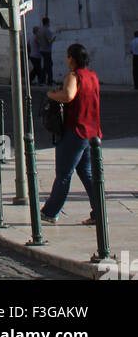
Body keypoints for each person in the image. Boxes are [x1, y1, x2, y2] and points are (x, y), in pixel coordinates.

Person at [41, 43, 102, 225]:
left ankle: (50, 212)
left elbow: (68, 95)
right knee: (87, 173)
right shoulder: (93, 76)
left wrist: (51, 94)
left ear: (72, 59)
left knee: (64, 174)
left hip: (75, 131)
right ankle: (99, 211)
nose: (67, 60)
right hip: (92, 133)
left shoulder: (74, 76)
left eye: (68, 57)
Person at [40, 16, 56, 86]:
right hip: (47, 50)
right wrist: (53, 39)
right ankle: (49, 80)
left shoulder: (40, 30)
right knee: (48, 66)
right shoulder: (47, 30)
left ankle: (44, 80)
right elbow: (49, 41)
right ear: (47, 22)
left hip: (41, 49)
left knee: (46, 65)